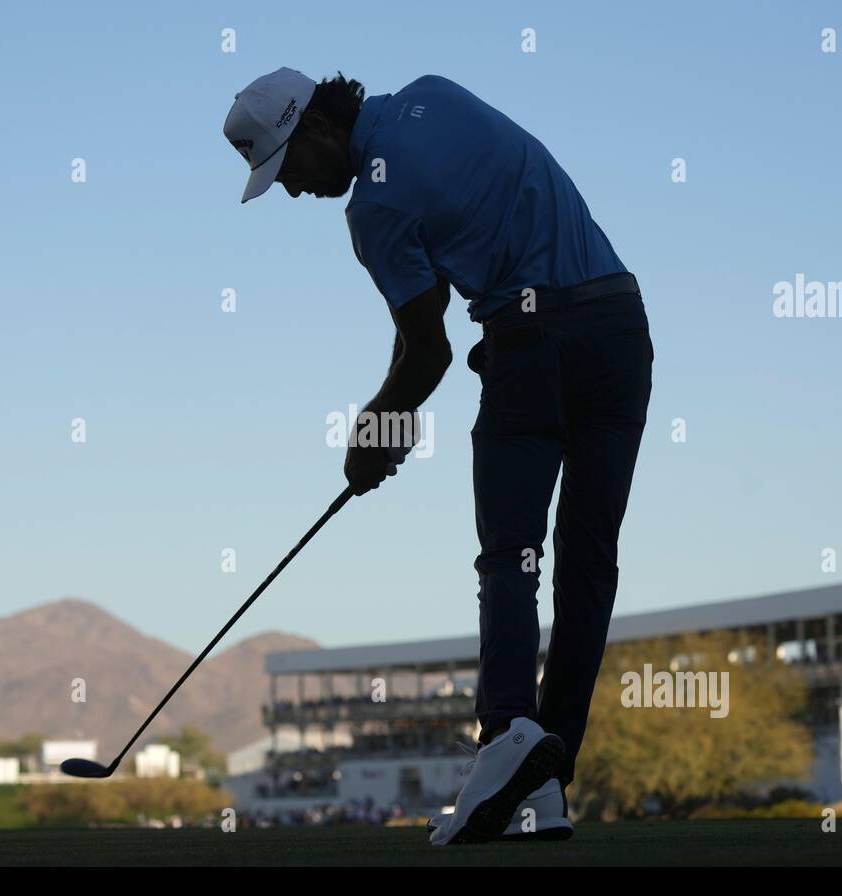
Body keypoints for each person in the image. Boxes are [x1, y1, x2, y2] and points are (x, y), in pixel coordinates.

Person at [224, 69, 653, 845]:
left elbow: (428, 354)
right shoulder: (436, 93)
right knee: (588, 563)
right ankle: (543, 783)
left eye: (286, 169)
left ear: (318, 130)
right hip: (621, 328)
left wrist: (372, 435)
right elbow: (419, 329)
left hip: (532, 351)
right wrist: (391, 422)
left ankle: (506, 734)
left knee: (511, 557)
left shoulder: (372, 208)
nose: (290, 191)